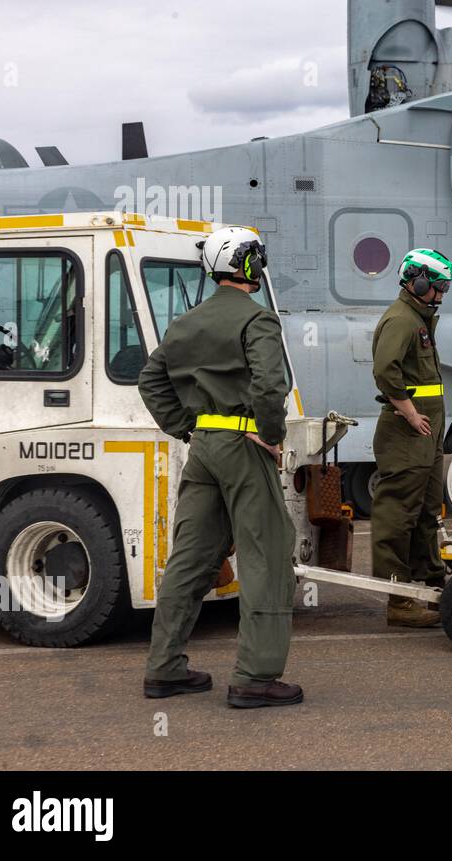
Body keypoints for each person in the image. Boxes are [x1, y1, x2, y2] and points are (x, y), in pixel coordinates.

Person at [139, 225, 302, 708]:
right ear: (245, 264)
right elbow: (270, 387)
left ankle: (164, 669)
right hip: (243, 445)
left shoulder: (185, 323)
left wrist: (186, 427)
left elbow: (151, 379)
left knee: (189, 560)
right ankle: (255, 676)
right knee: (267, 556)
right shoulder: (258, 320)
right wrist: (270, 436)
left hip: (204, 448)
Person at [371, 248, 452, 627]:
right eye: (437, 287)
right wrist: (408, 412)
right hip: (408, 432)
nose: (441, 294)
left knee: (427, 510)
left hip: (427, 432)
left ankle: (433, 585)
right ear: (417, 281)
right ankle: (400, 601)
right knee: (398, 514)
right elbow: (385, 370)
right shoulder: (401, 320)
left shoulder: (420, 318)